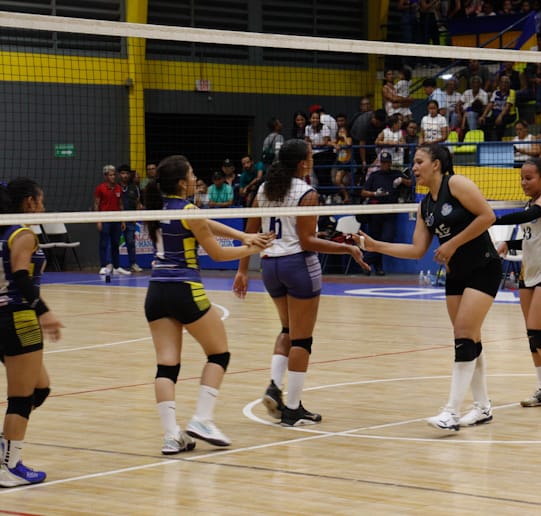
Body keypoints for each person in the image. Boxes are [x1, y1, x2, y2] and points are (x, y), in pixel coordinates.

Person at [359, 144, 501, 431]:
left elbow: (488, 216)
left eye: (419, 161)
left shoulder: (456, 183)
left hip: (484, 267)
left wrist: (451, 243)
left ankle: (451, 412)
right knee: (468, 338)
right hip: (456, 274)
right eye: (414, 162)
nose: (414, 167)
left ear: (436, 164)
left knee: (464, 334)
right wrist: (376, 246)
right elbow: (416, 249)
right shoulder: (425, 205)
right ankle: (483, 407)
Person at [143, 155, 274, 455]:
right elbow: (216, 254)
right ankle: (202, 419)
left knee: (167, 365)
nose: (195, 179)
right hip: (185, 289)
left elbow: (205, 223)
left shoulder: (157, 207)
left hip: (156, 292)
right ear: (180, 182)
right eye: (191, 174)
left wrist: (243, 235)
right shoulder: (190, 211)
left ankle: (171, 435)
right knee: (219, 354)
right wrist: (251, 247)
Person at [233, 140, 368, 427]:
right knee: (302, 339)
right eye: (310, 156)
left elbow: (250, 232)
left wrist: (243, 270)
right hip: (298, 266)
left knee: (287, 329)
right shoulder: (307, 194)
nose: (313, 160)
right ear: (303, 163)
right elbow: (307, 240)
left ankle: (274, 385)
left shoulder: (263, 189)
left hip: (269, 267)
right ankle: (292, 409)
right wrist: (347, 248)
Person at [492, 158, 541, 407]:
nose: (524, 182)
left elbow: (530, 215)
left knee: (537, 328)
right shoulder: (530, 203)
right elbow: (531, 238)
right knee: (531, 334)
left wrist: (491, 219)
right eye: (522, 178)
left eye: (529, 178)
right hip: (530, 272)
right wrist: (508, 244)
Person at [0, 178, 63, 487]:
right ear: (28, 202)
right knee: (21, 398)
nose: (43, 206)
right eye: (41, 200)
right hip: (19, 318)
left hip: (3, 316)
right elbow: (21, 276)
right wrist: (44, 310)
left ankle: (5, 446)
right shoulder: (22, 234)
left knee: (40, 388)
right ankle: (9, 468)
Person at [361, 152, 407, 275]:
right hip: (375, 210)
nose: (385, 165)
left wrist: (402, 180)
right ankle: (377, 268)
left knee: (387, 238)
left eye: (387, 162)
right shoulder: (374, 175)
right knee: (374, 239)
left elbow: (412, 183)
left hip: (390, 210)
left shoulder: (396, 174)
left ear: (390, 163)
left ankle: (365, 260)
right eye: (383, 162)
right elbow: (363, 192)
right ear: (380, 163)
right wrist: (374, 194)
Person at [94, 164, 130, 276]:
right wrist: (98, 220)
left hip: (116, 220)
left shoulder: (118, 188)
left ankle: (116, 267)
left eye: (114, 174)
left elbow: (120, 205)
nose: (113, 177)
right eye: (111, 175)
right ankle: (103, 266)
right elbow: (96, 204)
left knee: (116, 244)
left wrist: (123, 220)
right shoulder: (100, 188)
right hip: (105, 219)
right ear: (105, 176)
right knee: (104, 243)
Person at [118, 164, 142, 272]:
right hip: (117, 219)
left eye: (127, 173)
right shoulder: (116, 187)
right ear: (119, 175)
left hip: (131, 220)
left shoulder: (134, 187)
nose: (125, 175)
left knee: (131, 242)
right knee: (114, 243)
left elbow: (138, 203)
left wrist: (136, 216)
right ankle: (114, 265)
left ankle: (133, 263)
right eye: (123, 173)